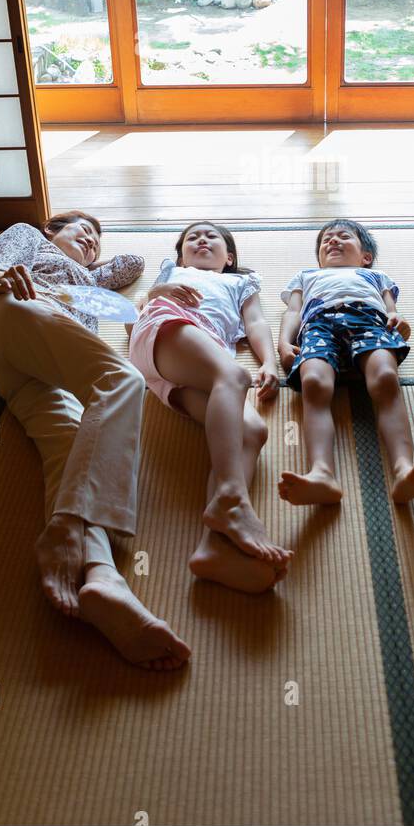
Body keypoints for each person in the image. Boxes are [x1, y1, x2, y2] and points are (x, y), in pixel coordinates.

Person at [0, 211, 190, 672]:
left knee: (73, 449)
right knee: (121, 381)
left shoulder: (91, 280)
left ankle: (103, 579)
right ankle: (66, 527)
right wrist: (1, 276)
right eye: (80, 229)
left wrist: (88, 262)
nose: (90, 239)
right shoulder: (31, 238)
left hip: (27, 375)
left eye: (96, 238)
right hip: (21, 311)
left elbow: (130, 264)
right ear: (51, 229)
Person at [128, 220, 292, 594]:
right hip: (166, 329)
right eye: (191, 238)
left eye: (211, 236)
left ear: (229, 257)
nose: (201, 240)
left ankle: (213, 549)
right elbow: (137, 309)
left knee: (253, 431)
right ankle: (232, 498)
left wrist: (268, 362)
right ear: (181, 254)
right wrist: (159, 290)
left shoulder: (239, 283)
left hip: (186, 367)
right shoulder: (173, 273)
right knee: (234, 377)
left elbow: (256, 322)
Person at [278, 219, 414, 506]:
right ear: (319, 258)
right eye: (326, 240)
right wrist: (283, 341)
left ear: (365, 257)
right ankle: (322, 473)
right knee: (313, 383)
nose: (333, 241)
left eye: (343, 237)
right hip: (318, 326)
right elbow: (293, 311)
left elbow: (391, 308)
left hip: (367, 321)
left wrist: (397, 318)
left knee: (386, 379)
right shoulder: (306, 276)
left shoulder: (376, 276)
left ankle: (403, 468)